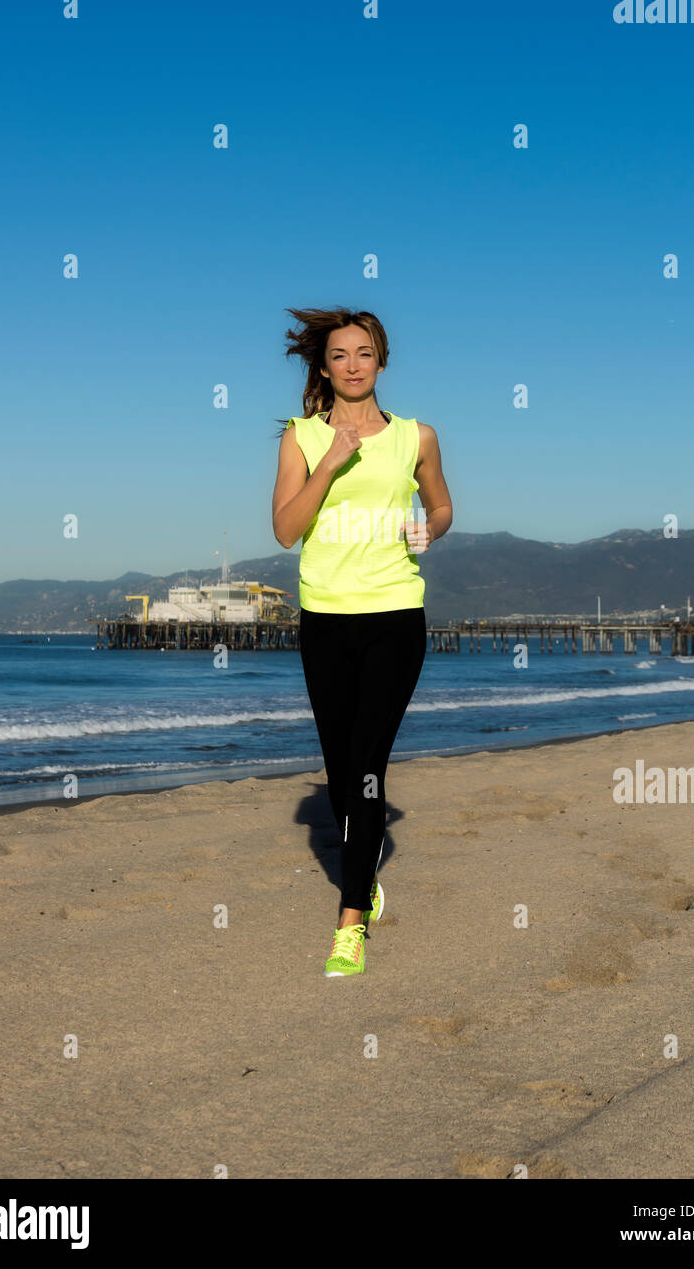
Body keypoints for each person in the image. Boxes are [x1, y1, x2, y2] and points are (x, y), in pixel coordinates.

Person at [271, 308, 453, 976]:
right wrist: (331, 463)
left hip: (394, 614)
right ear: (323, 367)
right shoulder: (301, 438)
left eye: (364, 353)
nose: (352, 364)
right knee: (344, 772)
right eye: (340, 355)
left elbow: (441, 506)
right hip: (324, 617)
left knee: (368, 764)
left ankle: (349, 921)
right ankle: (365, 877)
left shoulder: (416, 437)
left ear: (380, 361)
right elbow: (286, 529)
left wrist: (427, 531)